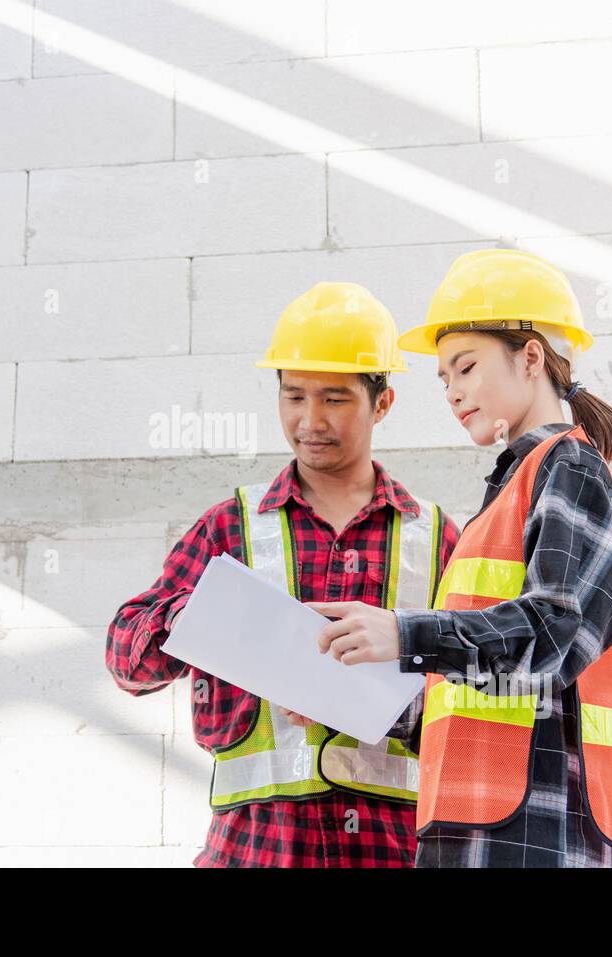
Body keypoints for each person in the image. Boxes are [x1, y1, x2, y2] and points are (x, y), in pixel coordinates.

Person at [304, 250, 612, 867]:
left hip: (542, 831)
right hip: (483, 826)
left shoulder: (569, 468)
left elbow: (555, 636)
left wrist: (404, 633)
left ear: (530, 357)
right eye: (444, 379)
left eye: (465, 367)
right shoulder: (508, 496)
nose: (453, 392)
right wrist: (361, 697)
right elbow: (487, 686)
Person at [105, 281, 462, 867]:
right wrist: (191, 619)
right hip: (257, 849)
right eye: (294, 396)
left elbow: (486, 697)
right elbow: (126, 663)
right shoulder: (230, 529)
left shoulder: (441, 539)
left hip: (392, 852)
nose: (310, 420)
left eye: (335, 398)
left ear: (383, 403)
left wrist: (379, 700)